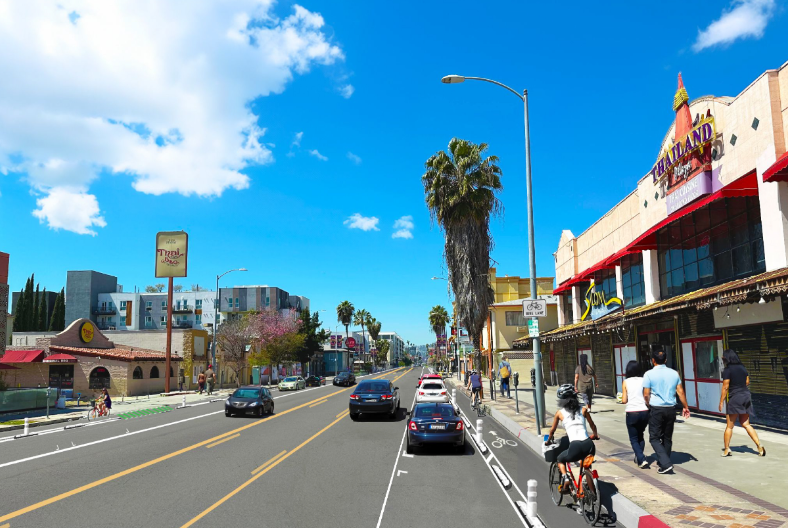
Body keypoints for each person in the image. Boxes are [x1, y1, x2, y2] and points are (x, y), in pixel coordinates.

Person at [642, 346, 690, 474]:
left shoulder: (648, 374)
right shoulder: (674, 373)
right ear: (666, 360)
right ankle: (664, 461)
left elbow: (646, 394)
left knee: (654, 438)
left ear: (653, 360)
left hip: (656, 408)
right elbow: (680, 392)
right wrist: (685, 407)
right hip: (671, 409)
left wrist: (648, 404)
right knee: (667, 437)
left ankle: (666, 463)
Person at [546, 384, 599, 491]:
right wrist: (595, 434)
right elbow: (593, 425)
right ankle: (592, 493)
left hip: (575, 446)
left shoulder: (559, 413)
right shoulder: (583, 410)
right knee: (587, 466)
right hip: (589, 445)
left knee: (560, 459)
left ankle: (565, 478)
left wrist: (549, 440)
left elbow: (552, 430)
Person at [719, 349, 765, 457]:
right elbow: (747, 382)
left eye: (723, 357)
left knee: (729, 426)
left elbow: (725, 387)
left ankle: (727, 449)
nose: (722, 359)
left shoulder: (727, 370)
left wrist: (721, 402)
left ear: (727, 358)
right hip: (746, 396)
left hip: (735, 397)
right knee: (746, 424)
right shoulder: (743, 368)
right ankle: (759, 446)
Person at [621, 360, 649, 468]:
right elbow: (647, 395)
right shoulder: (644, 380)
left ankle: (641, 459)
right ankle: (639, 457)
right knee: (640, 435)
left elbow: (624, 400)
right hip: (644, 411)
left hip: (632, 412)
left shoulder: (626, 382)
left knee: (633, 438)